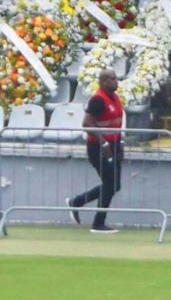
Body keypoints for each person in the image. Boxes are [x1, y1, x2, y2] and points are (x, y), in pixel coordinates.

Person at [67, 69, 123, 233]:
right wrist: (104, 143)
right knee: (110, 184)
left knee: (114, 185)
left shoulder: (115, 98)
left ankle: (77, 202)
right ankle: (98, 223)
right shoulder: (98, 100)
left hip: (113, 146)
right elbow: (87, 124)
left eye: (116, 78)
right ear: (104, 81)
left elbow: (116, 123)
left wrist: (119, 143)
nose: (116, 81)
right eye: (113, 78)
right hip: (99, 148)